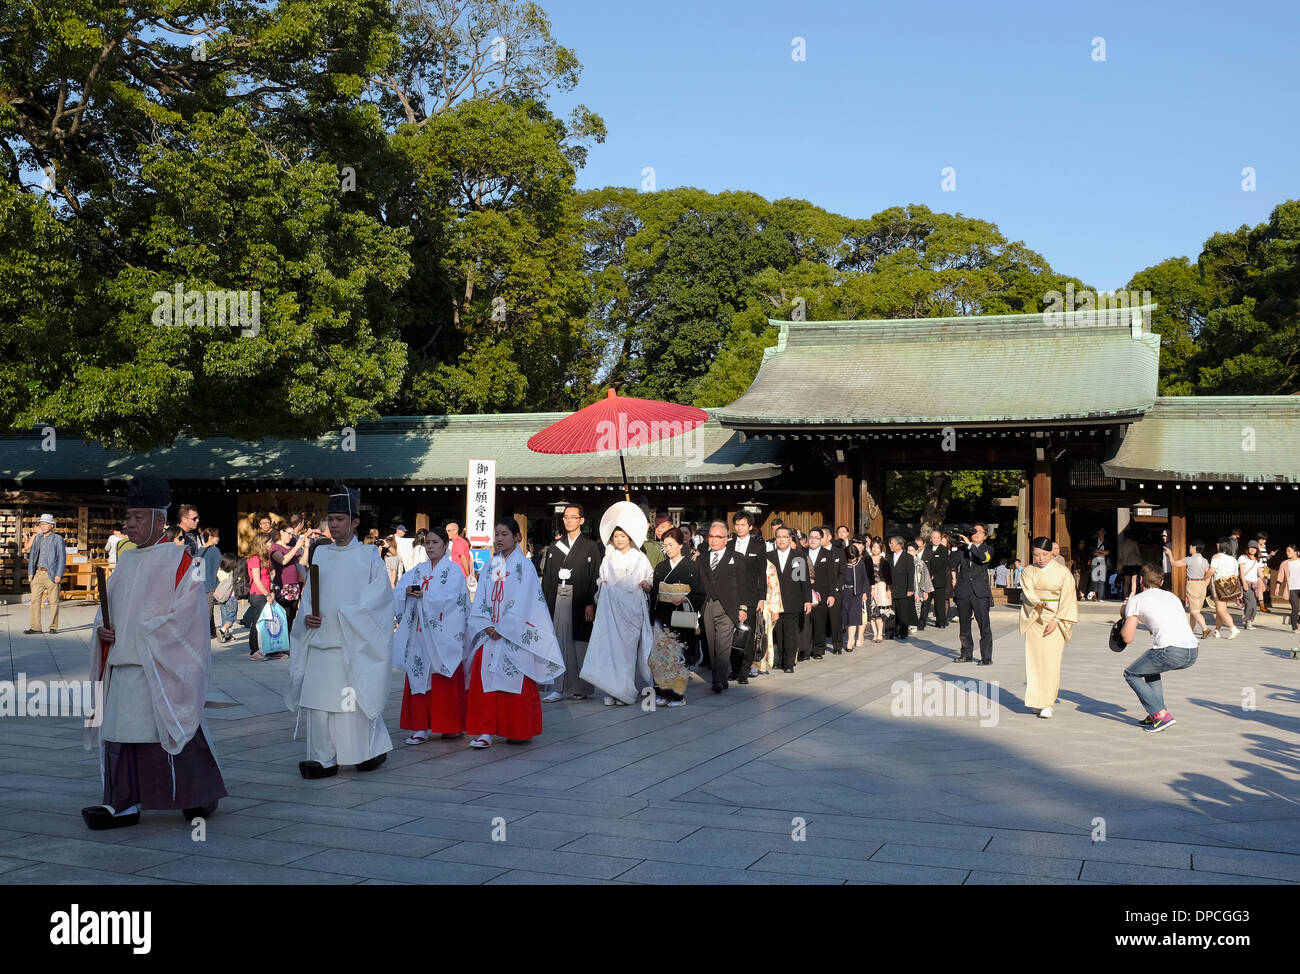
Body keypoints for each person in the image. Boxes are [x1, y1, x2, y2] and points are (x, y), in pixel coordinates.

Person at [83, 475, 226, 830]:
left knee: (174, 730)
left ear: (160, 520)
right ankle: (122, 804)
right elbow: (110, 611)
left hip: (160, 667)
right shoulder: (126, 561)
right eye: (128, 516)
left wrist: (147, 634)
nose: (129, 523)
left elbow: (190, 616)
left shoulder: (180, 560)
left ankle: (197, 797)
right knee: (122, 736)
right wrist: (103, 630)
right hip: (123, 665)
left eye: (138, 517)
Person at [287, 485, 394, 778]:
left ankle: (364, 753)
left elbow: (381, 597)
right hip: (322, 641)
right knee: (319, 704)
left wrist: (354, 614)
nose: (334, 525)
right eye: (330, 519)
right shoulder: (321, 554)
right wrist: (307, 616)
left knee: (351, 706)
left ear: (355, 522)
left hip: (352, 641)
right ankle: (323, 759)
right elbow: (310, 595)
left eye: (340, 519)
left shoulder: (370, 555)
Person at [463, 517, 565, 748]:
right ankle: (485, 731)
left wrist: (504, 627)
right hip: (490, 633)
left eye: (504, 534)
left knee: (516, 681)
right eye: (497, 534)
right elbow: (480, 597)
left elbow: (525, 601)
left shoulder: (525, 566)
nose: (499, 539)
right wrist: (486, 623)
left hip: (513, 634)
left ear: (517, 537)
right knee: (486, 680)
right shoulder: (490, 565)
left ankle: (516, 729)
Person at [393, 526, 469, 744]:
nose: (430, 547)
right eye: (427, 543)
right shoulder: (417, 569)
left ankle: (449, 725)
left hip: (442, 634)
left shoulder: (453, 570)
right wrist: (406, 593)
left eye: (435, 543)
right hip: (419, 634)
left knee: (443, 676)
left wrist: (424, 595)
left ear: (446, 545)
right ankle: (420, 727)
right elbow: (399, 590)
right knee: (419, 677)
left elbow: (454, 598)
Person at [582, 503, 655, 707]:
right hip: (612, 610)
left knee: (628, 651)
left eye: (623, 536)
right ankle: (611, 689)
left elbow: (649, 578)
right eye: (616, 536)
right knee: (610, 649)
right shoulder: (608, 558)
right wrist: (602, 585)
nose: (619, 539)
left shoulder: (640, 557)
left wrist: (646, 584)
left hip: (632, 611)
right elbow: (601, 579)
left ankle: (625, 689)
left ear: (630, 537)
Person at [1118, 564, 1199, 732]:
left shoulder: (1137, 600)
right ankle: (1155, 715)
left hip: (1171, 651)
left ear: (1141, 580)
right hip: (1193, 650)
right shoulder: (1172, 597)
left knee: (1131, 673)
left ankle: (1161, 714)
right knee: (1149, 669)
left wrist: (1126, 611)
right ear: (1161, 582)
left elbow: (1128, 637)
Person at [536, 504, 603, 702]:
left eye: (573, 517)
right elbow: (547, 577)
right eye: (566, 517)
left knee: (578, 644)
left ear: (582, 520)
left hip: (580, 599)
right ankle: (558, 687)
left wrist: (591, 601)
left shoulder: (590, 546)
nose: (569, 520)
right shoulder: (554, 547)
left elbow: (595, 576)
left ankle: (580, 687)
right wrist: (545, 605)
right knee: (558, 641)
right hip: (558, 597)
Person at [1019, 536, 1079, 719]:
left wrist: (1058, 619)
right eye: (1036, 555)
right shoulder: (1028, 571)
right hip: (1036, 618)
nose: (1041, 558)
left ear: (1051, 553)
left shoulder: (1063, 573)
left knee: (1051, 662)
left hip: (1056, 617)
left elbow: (1069, 598)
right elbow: (1028, 592)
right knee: (1034, 661)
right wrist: (1039, 603)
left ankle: (1048, 703)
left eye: (1044, 554)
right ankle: (1037, 701)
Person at [698, 521, 750, 693]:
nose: (713, 540)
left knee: (723, 644)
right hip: (708, 605)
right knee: (712, 644)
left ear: (726, 539)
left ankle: (718, 680)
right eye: (711, 536)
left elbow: (744, 585)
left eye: (718, 537)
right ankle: (720, 675)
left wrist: (743, 608)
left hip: (728, 607)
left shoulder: (736, 557)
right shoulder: (702, 557)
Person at [651, 527, 705, 671]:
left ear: (680, 545)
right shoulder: (660, 567)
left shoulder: (691, 567)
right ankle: (664, 688)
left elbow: (700, 593)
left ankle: (677, 686)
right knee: (663, 651)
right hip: (663, 612)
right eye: (665, 545)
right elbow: (655, 593)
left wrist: (686, 598)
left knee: (681, 649)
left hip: (682, 613)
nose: (667, 549)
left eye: (671, 545)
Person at [727, 512, 767, 678]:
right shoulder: (729, 545)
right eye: (737, 524)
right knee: (731, 633)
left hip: (751, 595)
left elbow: (761, 574)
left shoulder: (757, 546)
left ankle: (744, 670)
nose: (739, 527)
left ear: (750, 526)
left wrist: (762, 598)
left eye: (743, 524)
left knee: (747, 634)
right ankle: (734, 669)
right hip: (731, 595)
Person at [764, 526, 809, 672]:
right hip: (775, 602)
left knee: (790, 633)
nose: (782, 540)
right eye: (779, 537)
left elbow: (804, 579)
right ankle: (781, 659)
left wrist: (807, 599)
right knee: (779, 633)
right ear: (775, 539)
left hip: (793, 600)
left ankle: (789, 663)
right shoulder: (769, 556)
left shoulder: (798, 556)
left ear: (790, 539)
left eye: (785, 537)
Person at [951, 524, 994, 664]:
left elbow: (982, 558)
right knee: (964, 625)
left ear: (985, 535)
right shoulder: (962, 549)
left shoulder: (988, 549)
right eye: (973, 532)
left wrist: (970, 545)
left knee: (984, 625)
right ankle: (966, 654)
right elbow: (951, 563)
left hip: (979, 592)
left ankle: (986, 657)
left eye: (978, 532)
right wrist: (955, 546)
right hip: (963, 591)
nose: (975, 534)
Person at [24, 513, 65, 634]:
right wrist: (31, 572)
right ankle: (36, 627)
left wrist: (59, 574)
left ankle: (53, 626)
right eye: (41, 523)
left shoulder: (58, 539)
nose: (43, 525)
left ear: (52, 525)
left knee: (53, 602)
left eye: (46, 523)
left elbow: (62, 557)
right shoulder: (37, 538)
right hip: (38, 573)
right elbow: (32, 555)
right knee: (35, 601)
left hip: (51, 573)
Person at [242, 532, 278, 660]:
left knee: (266, 623)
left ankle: (265, 648)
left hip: (266, 593)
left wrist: (271, 590)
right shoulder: (255, 558)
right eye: (269, 541)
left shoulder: (265, 558)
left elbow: (270, 576)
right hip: (258, 594)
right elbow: (257, 580)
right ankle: (255, 650)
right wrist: (267, 593)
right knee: (258, 623)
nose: (271, 544)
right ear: (262, 543)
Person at [270, 523, 309, 630]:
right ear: (281, 532)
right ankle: (283, 643)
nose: (291, 536)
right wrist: (296, 546)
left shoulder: (291, 548)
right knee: (284, 616)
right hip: (282, 585)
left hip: (294, 585)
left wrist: (306, 547)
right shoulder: (275, 547)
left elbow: (303, 562)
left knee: (291, 616)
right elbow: (283, 561)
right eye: (289, 534)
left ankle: (288, 642)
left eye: (292, 534)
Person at [1168, 540, 1210, 637]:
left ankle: (1205, 628)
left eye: (1190, 546)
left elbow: (1174, 564)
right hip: (1202, 585)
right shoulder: (1205, 561)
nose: (1189, 548)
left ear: (1194, 547)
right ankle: (1190, 630)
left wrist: (1170, 554)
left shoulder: (1189, 559)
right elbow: (1208, 575)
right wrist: (1205, 585)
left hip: (1193, 584)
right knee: (1195, 610)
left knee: (1194, 611)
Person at [1209, 539, 1242, 638]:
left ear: (1221, 545)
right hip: (1229, 587)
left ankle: (1233, 628)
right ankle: (1217, 630)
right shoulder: (1233, 559)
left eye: (1218, 543)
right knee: (1220, 609)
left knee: (1221, 609)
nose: (1216, 545)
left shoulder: (1216, 556)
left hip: (1218, 586)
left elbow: (1211, 571)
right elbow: (1236, 575)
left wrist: (1204, 578)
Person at [841, 541, 869, 650]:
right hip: (845, 592)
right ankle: (851, 636)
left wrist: (864, 592)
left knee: (853, 616)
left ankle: (850, 639)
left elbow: (864, 579)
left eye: (853, 558)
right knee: (846, 617)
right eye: (850, 558)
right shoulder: (843, 564)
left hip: (856, 593)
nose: (851, 560)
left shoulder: (860, 563)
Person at [886, 536, 915, 642]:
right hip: (892, 587)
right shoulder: (888, 557)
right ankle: (892, 631)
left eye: (892, 543)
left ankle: (903, 631)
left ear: (899, 545)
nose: (890, 545)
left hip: (903, 588)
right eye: (889, 543)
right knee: (892, 611)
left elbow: (911, 574)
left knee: (902, 611)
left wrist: (910, 588)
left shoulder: (908, 557)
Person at [921, 530, 949, 628]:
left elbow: (941, 564)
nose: (936, 539)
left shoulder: (944, 549)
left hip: (939, 580)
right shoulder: (927, 548)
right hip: (927, 579)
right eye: (934, 538)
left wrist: (932, 574)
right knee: (926, 602)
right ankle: (922, 622)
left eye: (938, 537)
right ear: (930, 539)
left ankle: (941, 621)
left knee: (939, 602)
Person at [198, 527, 222, 638]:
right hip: (211, 585)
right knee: (207, 611)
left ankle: (212, 631)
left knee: (209, 609)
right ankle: (202, 634)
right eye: (216, 536)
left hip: (199, 585)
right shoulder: (215, 550)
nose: (218, 539)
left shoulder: (198, 550)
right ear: (211, 537)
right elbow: (221, 567)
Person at [215, 552, 240, 642]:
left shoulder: (219, 571)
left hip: (222, 597)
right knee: (232, 617)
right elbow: (238, 581)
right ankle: (222, 630)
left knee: (225, 617)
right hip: (231, 598)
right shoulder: (232, 574)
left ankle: (226, 635)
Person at [867, 539, 889, 643]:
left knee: (879, 612)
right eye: (873, 547)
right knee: (872, 612)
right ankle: (874, 634)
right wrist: (871, 587)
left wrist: (888, 589)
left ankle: (880, 634)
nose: (875, 549)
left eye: (877, 547)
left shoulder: (884, 561)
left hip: (881, 586)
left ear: (881, 548)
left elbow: (889, 577)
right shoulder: (866, 560)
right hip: (869, 587)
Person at [1239, 542, 1263, 630]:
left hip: (1255, 584)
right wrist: (1244, 583)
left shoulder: (1257, 559)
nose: (1253, 549)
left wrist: (1264, 580)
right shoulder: (1243, 557)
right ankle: (1248, 621)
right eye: (1251, 547)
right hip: (1246, 583)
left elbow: (1260, 572)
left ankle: (1247, 622)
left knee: (1252, 603)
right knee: (1251, 603)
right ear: (1247, 548)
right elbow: (1242, 572)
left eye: (1255, 548)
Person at [1277, 544, 1300, 634]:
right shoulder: (1284, 563)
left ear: (1296, 552)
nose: (1287, 553)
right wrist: (1278, 586)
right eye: (1286, 551)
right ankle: (1294, 627)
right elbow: (1280, 575)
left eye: (1289, 551)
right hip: (1291, 589)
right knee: (1295, 608)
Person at [910, 541, 933, 630]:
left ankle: (915, 624)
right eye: (908, 550)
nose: (910, 552)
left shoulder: (920, 563)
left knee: (917, 607)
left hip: (918, 588)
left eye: (912, 550)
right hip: (907, 588)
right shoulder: (905, 561)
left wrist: (926, 591)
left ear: (916, 551)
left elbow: (925, 577)